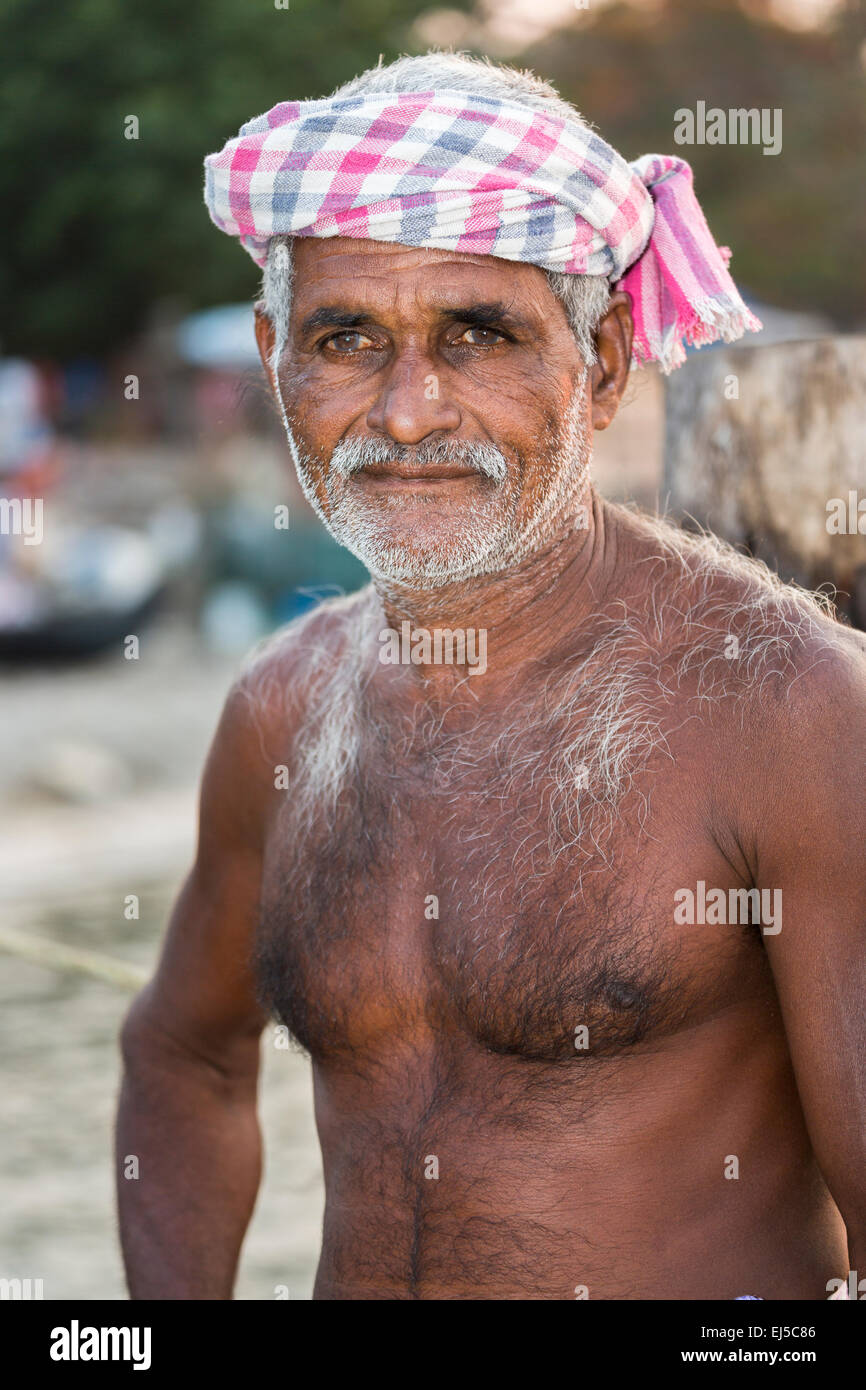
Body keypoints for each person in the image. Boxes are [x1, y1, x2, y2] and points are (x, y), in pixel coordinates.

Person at [116, 51, 866, 1300]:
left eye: (479, 335)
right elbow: (183, 1057)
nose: (406, 411)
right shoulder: (280, 711)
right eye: (345, 337)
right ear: (272, 358)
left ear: (603, 360)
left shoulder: (789, 712)